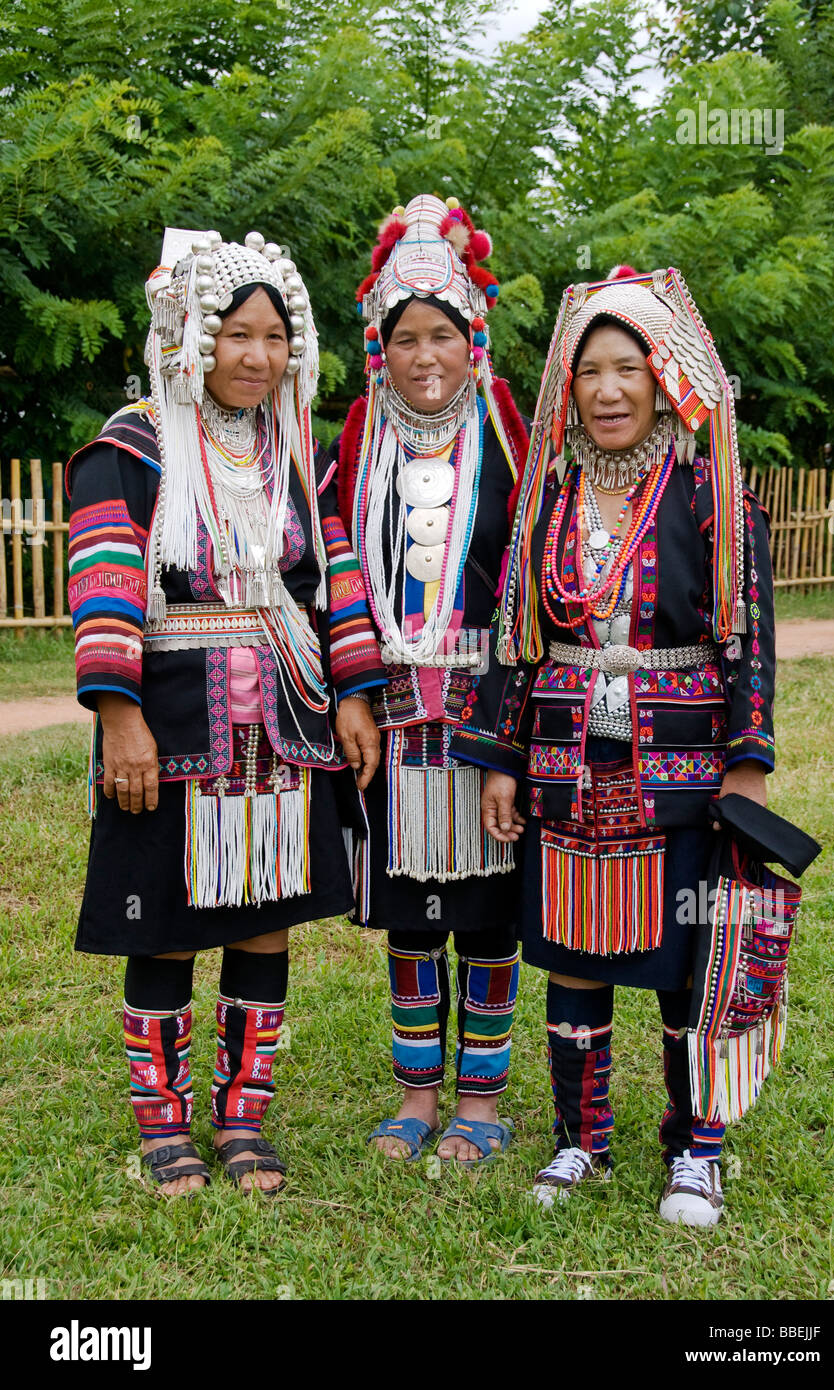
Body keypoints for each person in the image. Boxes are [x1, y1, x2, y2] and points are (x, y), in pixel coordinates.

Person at [451, 266, 776, 1223]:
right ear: (570, 381)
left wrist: (747, 766)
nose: (606, 390)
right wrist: (501, 763)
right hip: (564, 773)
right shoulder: (547, 500)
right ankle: (579, 1139)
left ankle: (695, 1149)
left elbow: (747, 637)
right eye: (589, 369)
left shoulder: (710, 492)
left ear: (663, 376)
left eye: (627, 368)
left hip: (681, 774)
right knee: (575, 959)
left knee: (685, 966)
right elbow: (518, 642)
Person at [67, 227, 384, 1195]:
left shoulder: (294, 453)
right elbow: (105, 579)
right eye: (235, 334)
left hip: (284, 723)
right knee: (160, 920)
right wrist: (120, 717)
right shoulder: (135, 442)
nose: (256, 356)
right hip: (173, 725)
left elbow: (335, 575)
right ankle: (164, 1127)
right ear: (194, 337)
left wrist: (358, 693)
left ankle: (244, 1120)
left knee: (264, 921)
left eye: (273, 338)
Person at [330, 194, 530, 1164]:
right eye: (405, 338)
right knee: (411, 910)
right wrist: (354, 689)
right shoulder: (360, 441)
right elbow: (330, 565)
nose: (423, 357)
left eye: (441, 335)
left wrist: (511, 726)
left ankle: (481, 1104)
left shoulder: (506, 431)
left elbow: (534, 583)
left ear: (471, 337)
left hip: (486, 713)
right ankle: (416, 1091)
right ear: (383, 344)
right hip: (395, 718)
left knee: (488, 913)